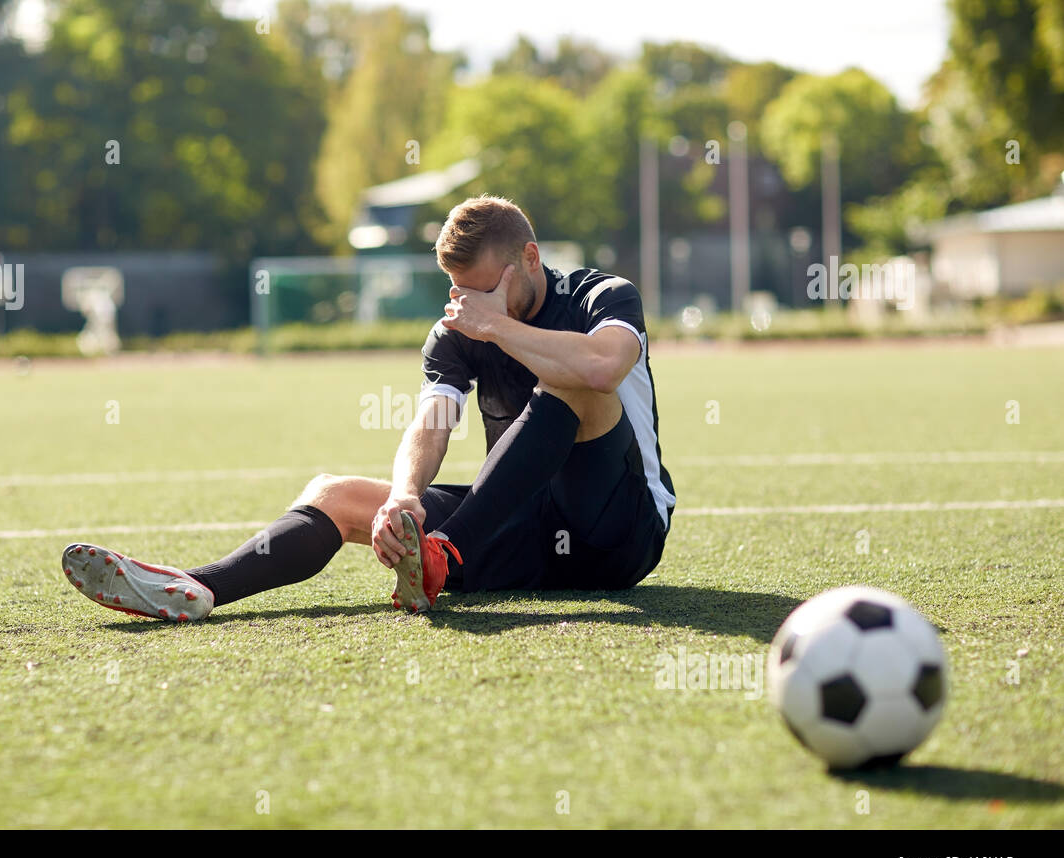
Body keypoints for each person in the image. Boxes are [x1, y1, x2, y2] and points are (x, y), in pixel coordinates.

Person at [61, 195, 675, 622]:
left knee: (571, 382)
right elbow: (432, 422)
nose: (468, 305)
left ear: (531, 259)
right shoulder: (459, 325)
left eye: (484, 289)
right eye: (457, 291)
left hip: (618, 535)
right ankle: (197, 586)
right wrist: (405, 496)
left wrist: (496, 327)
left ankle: (443, 552)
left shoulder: (601, 294)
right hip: (522, 531)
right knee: (336, 491)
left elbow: (602, 367)